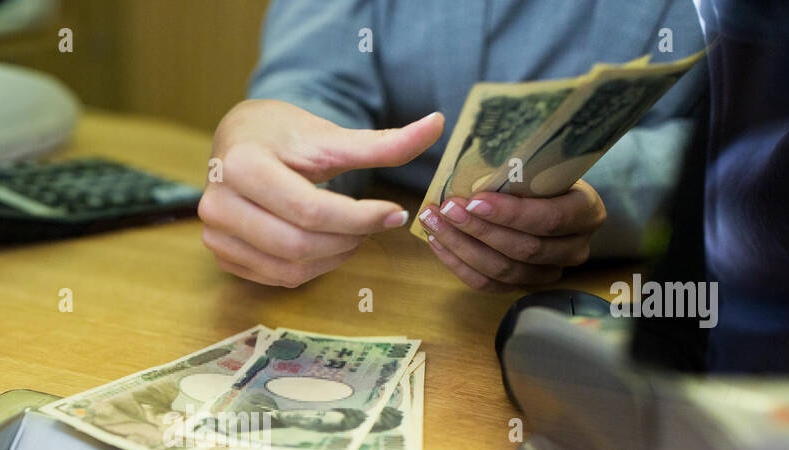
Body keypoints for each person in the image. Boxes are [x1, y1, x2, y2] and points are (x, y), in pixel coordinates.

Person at [200, 0, 706, 292]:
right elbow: (316, 81)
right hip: (389, 269)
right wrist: (276, 151)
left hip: (635, 295)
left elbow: (768, 145)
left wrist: (599, 189)